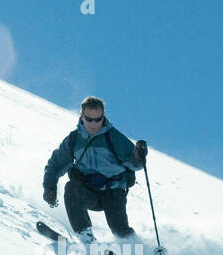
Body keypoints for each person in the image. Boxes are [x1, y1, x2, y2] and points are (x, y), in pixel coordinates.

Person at [43, 97, 148, 243]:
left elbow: (136, 165)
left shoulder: (113, 138)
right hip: (88, 192)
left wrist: (138, 156)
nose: (93, 124)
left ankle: (138, 251)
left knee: (119, 229)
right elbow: (55, 164)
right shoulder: (74, 140)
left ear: (103, 117)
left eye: (98, 120)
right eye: (89, 119)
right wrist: (50, 187)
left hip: (113, 192)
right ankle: (86, 237)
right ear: (82, 116)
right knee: (71, 188)